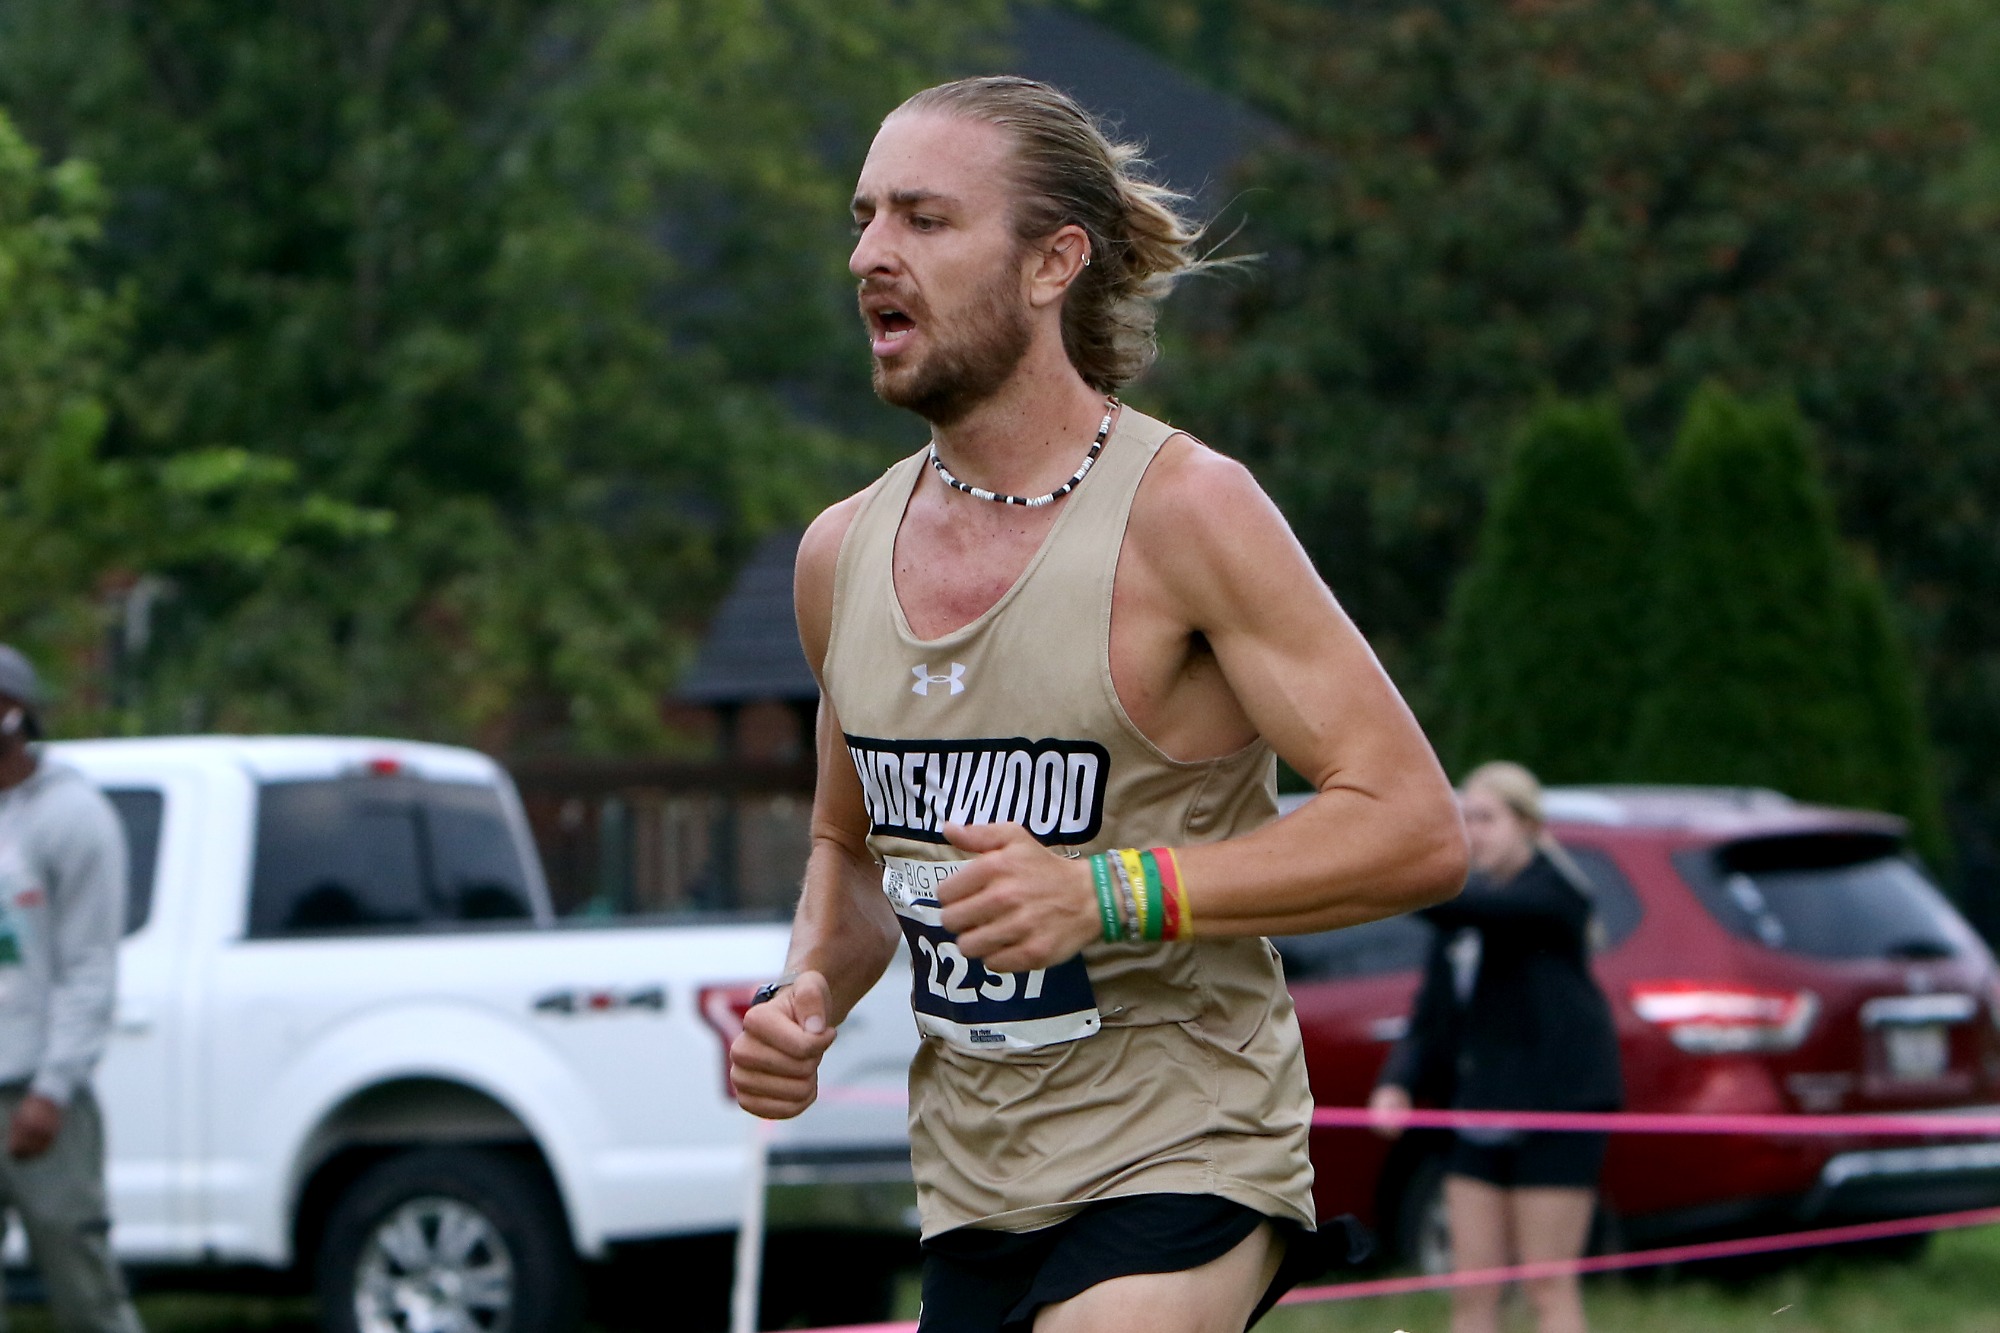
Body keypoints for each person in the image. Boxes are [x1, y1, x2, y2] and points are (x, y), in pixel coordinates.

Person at [726, 75, 1468, 1333]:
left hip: (1189, 1145)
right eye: (863, 219)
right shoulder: (837, 556)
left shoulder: (1186, 512)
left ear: (1051, 263)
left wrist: (1100, 895)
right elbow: (852, 851)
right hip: (973, 1186)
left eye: (923, 219)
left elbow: (1411, 826)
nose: (868, 256)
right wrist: (803, 995)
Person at [1368, 761, 1622, 1333]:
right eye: (1464, 819)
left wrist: (1384, 871)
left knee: (1547, 1285)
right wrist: (1398, 1082)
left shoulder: (1555, 896)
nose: (1472, 832)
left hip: (1558, 1108)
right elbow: (1430, 1016)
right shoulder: (1465, 912)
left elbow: (1483, 913)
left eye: (1485, 818)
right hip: (1481, 1106)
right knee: (1473, 1290)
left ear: (1528, 826)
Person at [0, 645, 145, 1333]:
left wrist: (53, 1088)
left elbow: (89, 966)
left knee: (79, 1278)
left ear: (13, 712)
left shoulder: (71, 816)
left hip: (33, 1090)